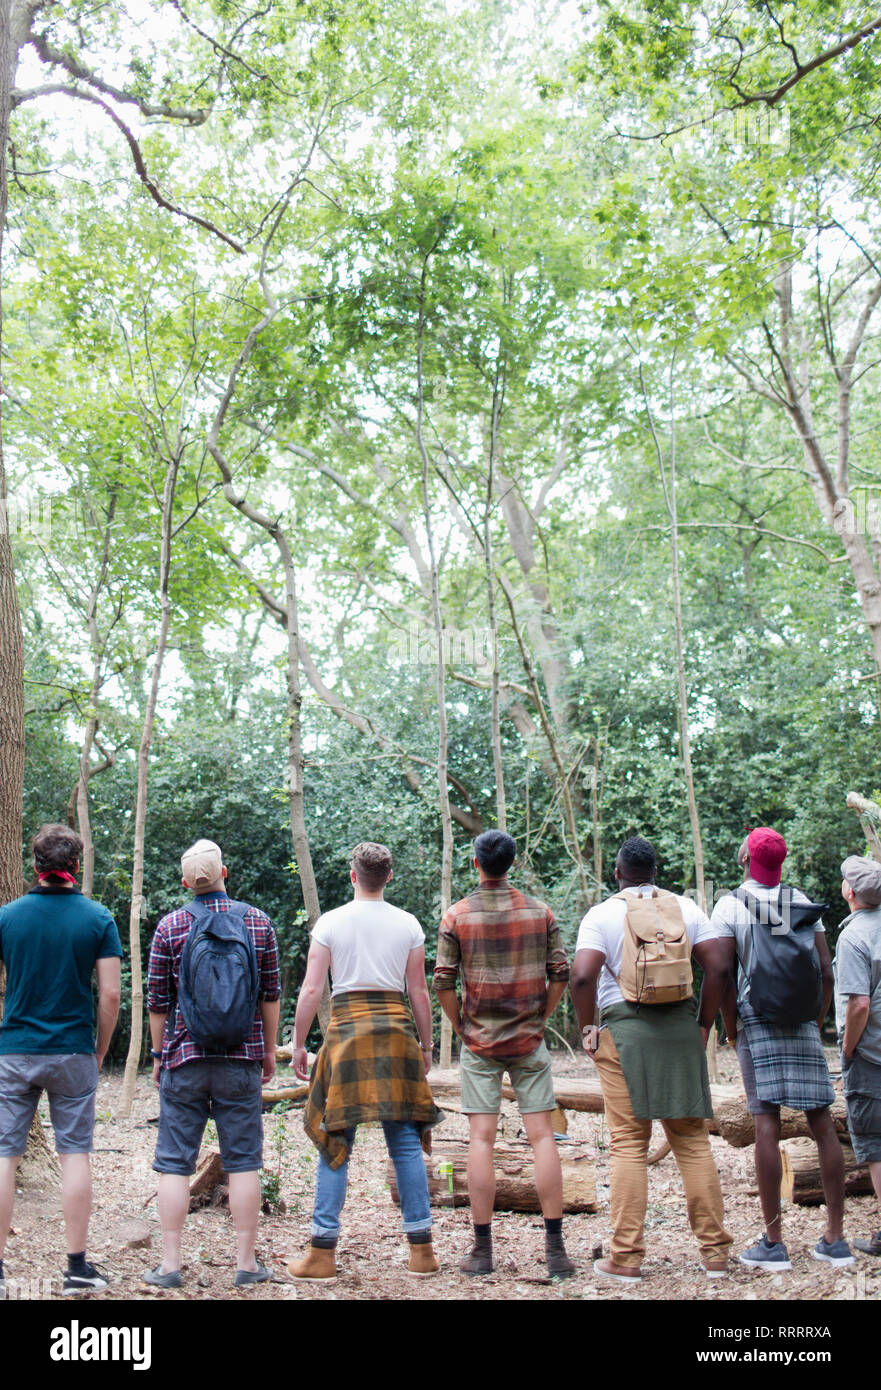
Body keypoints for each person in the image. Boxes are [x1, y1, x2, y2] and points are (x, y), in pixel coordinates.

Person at [571, 835, 732, 1283]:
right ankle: (715, 1255)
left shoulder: (602, 914)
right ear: (655, 872)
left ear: (618, 874)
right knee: (692, 1141)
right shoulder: (686, 908)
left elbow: (582, 977)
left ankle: (625, 1257)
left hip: (624, 1033)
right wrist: (704, 1024)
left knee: (628, 1143)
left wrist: (588, 1028)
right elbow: (719, 967)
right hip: (680, 1030)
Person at [288, 841, 441, 1281]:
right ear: (388, 877)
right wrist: (426, 1045)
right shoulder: (408, 924)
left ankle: (321, 1253)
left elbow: (312, 989)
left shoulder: (330, 922)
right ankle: (422, 1253)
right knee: (405, 1143)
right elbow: (418, 992)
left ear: (353, 876)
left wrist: (298, 1043)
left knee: (336, 1139)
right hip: (396, 1034)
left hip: (347, 1037)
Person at [434, 829, 575, 1278]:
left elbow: (443, 981)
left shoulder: (457, 916)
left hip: (480, 1042)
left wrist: (461, 1026)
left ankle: (482, 1252)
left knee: (481, 1140)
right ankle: (555, 1252)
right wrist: (541, 1017)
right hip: (528, 1040)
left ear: (476, 863)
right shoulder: (539, 912)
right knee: (543, 1138)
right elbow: (560, 973)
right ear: (510, 863)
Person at [712, 826, 854, 1271]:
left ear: (746, 858)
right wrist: (815, 1018)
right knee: (822, 1122)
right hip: (802, 1019)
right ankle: (835, 1239)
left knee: (766, 1123)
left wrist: (731, 1029)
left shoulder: (730, 905)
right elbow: (826, 971)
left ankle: (774, 1243)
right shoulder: (801, 900)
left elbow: (723, 976)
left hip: (757, 1018)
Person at [144, 839, 280, 1289]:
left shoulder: (170, 926)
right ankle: (246, 1264)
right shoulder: (257, 922)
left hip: (184, 1058)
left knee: (174, 1164)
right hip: (240, 1059)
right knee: (243, 1163)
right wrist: (267, 1050)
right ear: (225, 872)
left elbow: (158, 1000)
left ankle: (169, 1266)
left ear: (186, 884)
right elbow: (270, 994)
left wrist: (160, 1055)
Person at [0, 823, 122, 1296]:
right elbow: (110, 995)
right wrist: (100, 1049)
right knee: (74, 1154)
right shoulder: (97, 918)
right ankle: (76, 1268)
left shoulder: (7, 918)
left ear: (36, 865)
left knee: (5, 1156)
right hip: (73, 1050)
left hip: (15, 1050)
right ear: (76, 864)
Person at [834, 854, 881, 1256]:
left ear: (849, 891)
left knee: (875, 1143)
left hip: (871, 1054)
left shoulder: (853, 937)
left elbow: (859, 1003)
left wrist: (849, 1047)